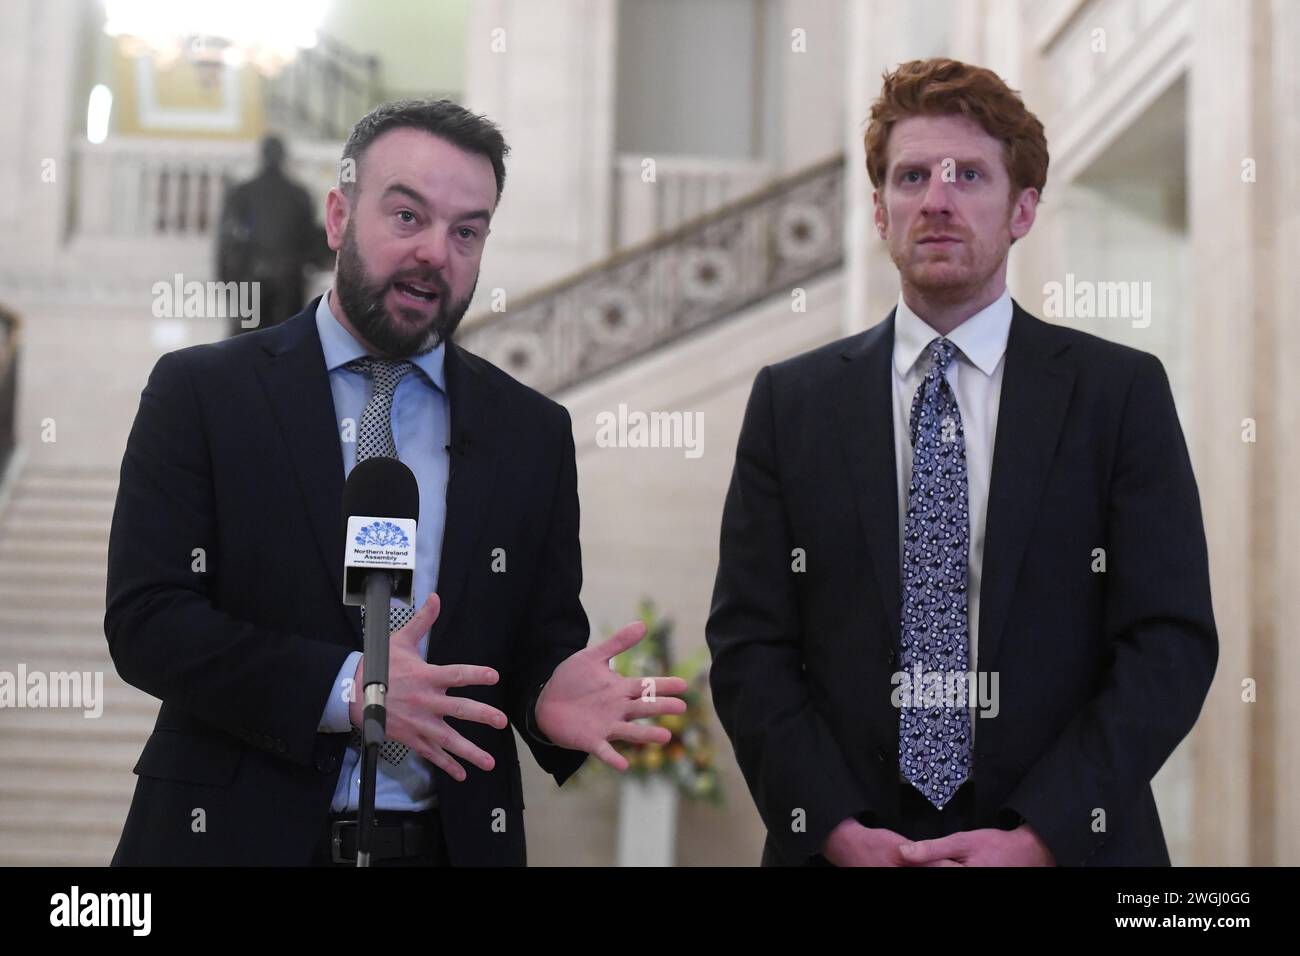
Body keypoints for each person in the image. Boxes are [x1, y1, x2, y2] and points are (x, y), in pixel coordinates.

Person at [107, 99, 686, 866]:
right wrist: (353, 687)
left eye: (467, 231)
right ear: (340, 216)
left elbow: (535, 640)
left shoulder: (531, 432)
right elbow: (149, 622)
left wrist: (546, 698)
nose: (436, 253)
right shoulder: (203, 393)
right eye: (408, 216)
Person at [706, 58, 1217, 867]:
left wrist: (1042, 835)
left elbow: (1170, 643)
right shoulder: (790, 403)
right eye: (912, 177)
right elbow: (749, 647)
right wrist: (831, 828)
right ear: (879, 210)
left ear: (1022, 209)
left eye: (968, 176)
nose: (936, 201)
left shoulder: (1119, 394)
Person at [216, 134, 328, 337]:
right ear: (283, 157)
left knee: (243, 347)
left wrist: (225, 278)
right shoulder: (299, 195)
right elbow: (311, 243)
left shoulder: (243, 193)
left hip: (252, 281)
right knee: (283, 346)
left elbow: (227, 241)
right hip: (288, 283)